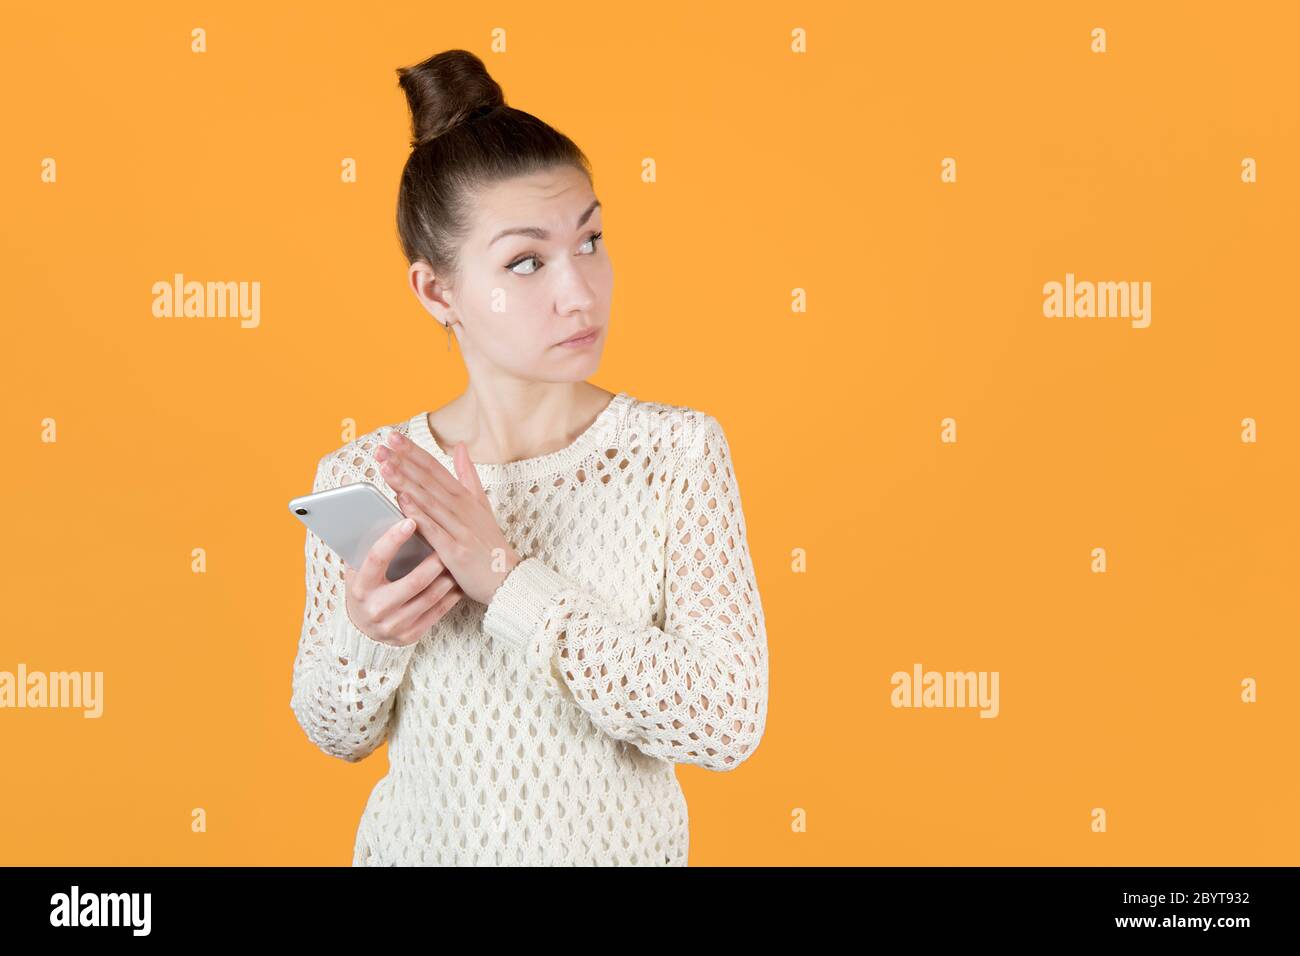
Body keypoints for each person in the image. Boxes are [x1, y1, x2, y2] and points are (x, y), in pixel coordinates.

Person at [289, 48, 769, 866]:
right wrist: (370, 631)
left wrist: (508, 581)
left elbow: (724, 720)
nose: (580, 290)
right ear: (438, 292)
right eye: (526, 261)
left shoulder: (674, 455)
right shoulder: (368, 477)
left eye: (590, 241)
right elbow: (337, 734)